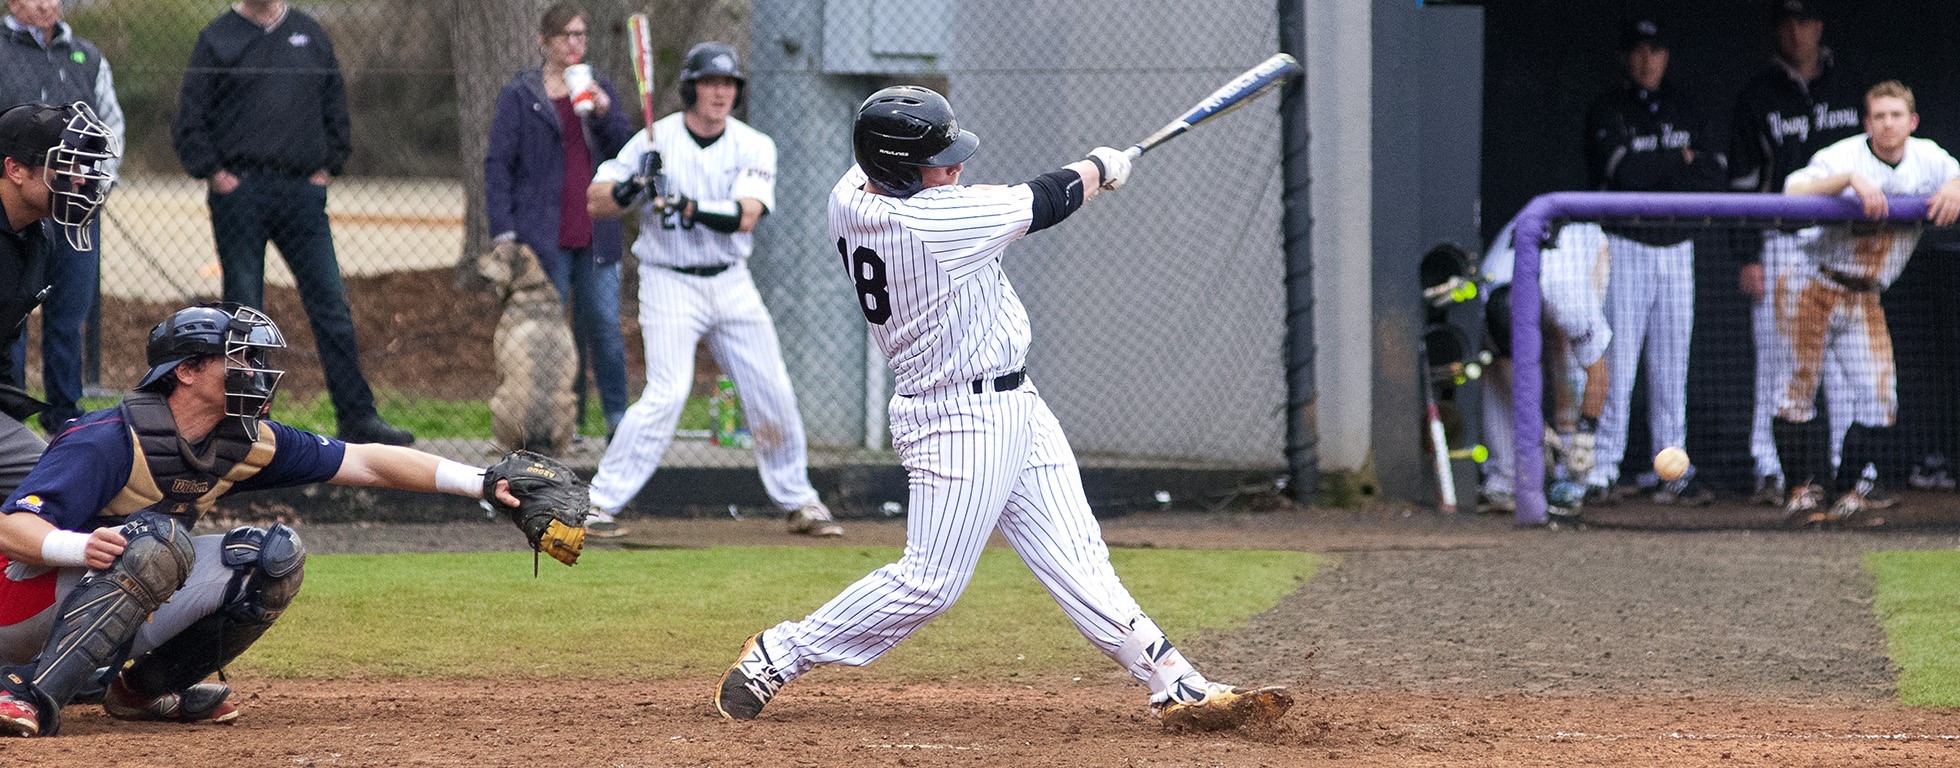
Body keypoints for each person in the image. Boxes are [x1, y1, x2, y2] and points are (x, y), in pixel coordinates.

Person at [711, 85, 1292, 731]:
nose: (955, 167)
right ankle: (778, 653)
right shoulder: (929, 223)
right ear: (898, 170)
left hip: (1014, 400)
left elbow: (1017, 190)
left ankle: (1177, 685)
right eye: (939, 160)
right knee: (929, 582)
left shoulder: (852, 192)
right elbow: (1048, 199)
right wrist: (1103, 165)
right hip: (955, 419)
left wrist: (1091, 172)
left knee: (1078, 555)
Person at [0, 303, 541, 737]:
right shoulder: (106, 439)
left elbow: (366, 459)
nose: (255, 372)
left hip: (110, 592)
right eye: (239, 358)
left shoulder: (244, 441)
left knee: (270, 559)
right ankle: (29, 692)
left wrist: (482, 481)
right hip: (18, 603)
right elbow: (11, 530)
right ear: (185, 372)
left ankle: (142, 691)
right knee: (157, 542)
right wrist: (78, 548)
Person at [584, 42, 839, 539]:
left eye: (729, 84)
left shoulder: (754, 143)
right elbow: (597, 202)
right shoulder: (652, 140)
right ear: (691, 88)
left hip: (730, 281)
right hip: (669, 280)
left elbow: (746, 216)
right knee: (667, 393)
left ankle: (799, 500)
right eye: (710, 82)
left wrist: (687, 205)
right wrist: (635, 185)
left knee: (772, 390)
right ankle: (598, 503)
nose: (721, 92)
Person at [171, 0, 413, 446]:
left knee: (331, 306)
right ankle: (244, 422)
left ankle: (358, 418)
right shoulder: (217, 38)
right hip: (240, 196)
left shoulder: (309, 33)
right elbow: (189, 119)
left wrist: (329, 166)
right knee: (244, 311)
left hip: (301, 195)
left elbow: (334, 103)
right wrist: (217, 175)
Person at [1776, 81, 1960, 525]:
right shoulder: (1844, 156)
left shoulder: (1928, 157)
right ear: (1867, 123)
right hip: (1814, 283)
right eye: (1879, 116)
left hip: (1864, 296)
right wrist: (1849, 181)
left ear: (1912, 121)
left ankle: (1848, 493)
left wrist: (1955, 185)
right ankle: (1800, 492)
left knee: (1880, 403)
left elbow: (1954, 172)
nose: (1888, 123)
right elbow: (1791, 192)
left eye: (1896, 115)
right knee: (1797, 395)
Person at [1580, 18, 1726, 506]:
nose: (1648, 60)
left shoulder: (1686, 105)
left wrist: (1682, 165)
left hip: (1678, 249)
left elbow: (1712, 174)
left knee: (1671, 369)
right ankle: (1602, 469)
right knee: (1617, 365)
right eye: (1639, 50)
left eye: (1656, 50)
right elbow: (1623, 174)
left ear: (1667, 55)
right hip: (1627, 246)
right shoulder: (1609, 108)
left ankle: (1672, 471)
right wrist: (1677, 161)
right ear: (1627, 56)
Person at [1728, 0, 1864, 506]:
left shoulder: (1850, 88)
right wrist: (1748, 254)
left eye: (1805, 20)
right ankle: (1771, 467)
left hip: (1843, 244)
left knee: (1847, 360)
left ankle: (1847, 475)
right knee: (1779, 360)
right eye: (1786, 22)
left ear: (1820, 26)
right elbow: (1742, 186)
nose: (1796, 31)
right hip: (1783, 241)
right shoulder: (1757, 96)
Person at [484, 3, 633, 437]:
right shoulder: (520, 94)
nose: (575, 43)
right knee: (552, 333)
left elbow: (626, 148)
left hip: (596, 231)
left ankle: (618, 421)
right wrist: (505, 231)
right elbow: (498, 164)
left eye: (581, 35)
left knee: (603, 325)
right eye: (566, 35)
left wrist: (604, 110)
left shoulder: (596, 87)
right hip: (543, 235)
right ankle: (564, 423)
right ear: (544, 41)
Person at [1, 0, 125, 432]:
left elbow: (111, 123)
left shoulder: (87, 56)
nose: (46, 5)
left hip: (73, 212)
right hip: (13, 211)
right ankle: (9, 418)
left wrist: (90, 189)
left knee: (68, 320)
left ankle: (66, 422)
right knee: (9, 319)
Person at [0, 102, 115, 505]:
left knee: (61, 487)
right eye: (65, 166)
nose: (79, 179)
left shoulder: (38, 238)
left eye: (82, 167)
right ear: (15, 170)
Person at [1477, 217, 1612, 518]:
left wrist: (1585, 436)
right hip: (1515, 281)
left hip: (1583, 257)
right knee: (1494, 369)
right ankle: (1504, 476)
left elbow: (1597, 370)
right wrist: (1536, 426)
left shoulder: (1570, 301)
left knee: (1569, 357)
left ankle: (1572, 472)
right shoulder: (1486, 294)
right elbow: (1510, 364)